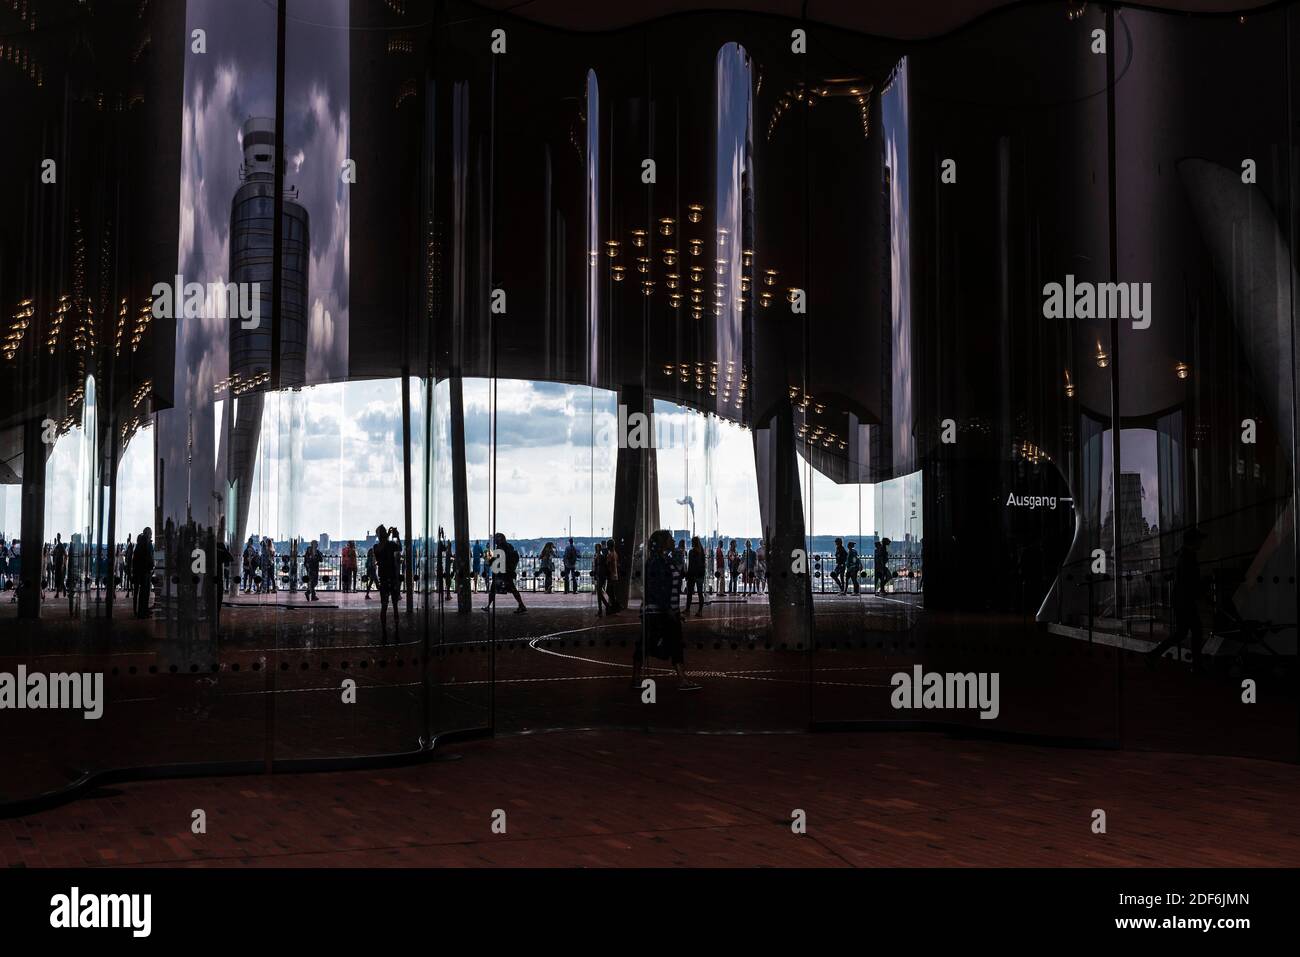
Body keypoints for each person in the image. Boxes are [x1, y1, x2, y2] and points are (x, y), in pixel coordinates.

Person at [632, 529, 701, 692]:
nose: (674, 541)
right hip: (657, 611)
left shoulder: (667, 560)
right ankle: (679, 679)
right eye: (670, 538)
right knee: (647, 643)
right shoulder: (656, 561)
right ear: (664, 542)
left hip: (668, 610)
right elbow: (656, 588)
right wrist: (668, 609)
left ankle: (681, 678)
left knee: (672, 643)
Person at [1148, 529, 1207, 670]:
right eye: (1199, 540)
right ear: (1193, 541)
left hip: (1181, 599)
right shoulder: (1188, 557)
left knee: (1183, 632)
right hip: (1185, 599)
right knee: (1195, 631)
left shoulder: (1183, 555)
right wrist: (1202, 592)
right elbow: (1189, 580)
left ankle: (1153, 655)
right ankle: (1197, 664)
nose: (1201, 543)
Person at [484, 532, 527, 614]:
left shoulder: (500, 549)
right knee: (512, 589)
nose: (495, 540)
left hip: (502, 572)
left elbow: (496, 561)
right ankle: (521, 605)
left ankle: (488, 606)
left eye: (496, 539)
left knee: (493, 589)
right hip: (507, 572)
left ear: (499, 540)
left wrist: (489, 559)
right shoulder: (509, 546)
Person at [373, 524, 400, 641]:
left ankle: (386, 631)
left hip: (386, 578)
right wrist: (393, 536)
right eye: (382, 531)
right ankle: (394, 630)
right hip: (389, 578)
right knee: (391, 605)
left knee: (388, 606)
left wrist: (395, 537)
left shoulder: (379, 546)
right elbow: (398, 547)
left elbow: (399, 548)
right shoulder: (379, 546)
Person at [132, 528, 154, 619]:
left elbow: (136, 559)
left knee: (144, 592)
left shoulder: (140, 544)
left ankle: (143, 610)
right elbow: (147, 557)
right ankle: (142, 611)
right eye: (150, 533)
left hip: (143, 571)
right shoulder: (146, 544)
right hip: (145, 571)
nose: (151, 535)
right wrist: (150, 566)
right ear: (147, 534)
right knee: (144, 593)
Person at [685, 536, 706, 614]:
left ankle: (687, 610)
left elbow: (690, 565)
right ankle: (700, 611)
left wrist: (687, 574)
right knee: (700, 594)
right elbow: (703, 564)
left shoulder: (691, 552)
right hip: (700, 575)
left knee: (689, 593)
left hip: (692, 575)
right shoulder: (702, 552)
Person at [592, 542, 609, 617]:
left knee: (599, 593)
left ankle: (604, 608)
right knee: (599, 593)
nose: (596, 550)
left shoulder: (599, 557)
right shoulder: (600, 556)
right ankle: (603, 608)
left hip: (600, 576)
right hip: (601, 576)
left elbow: (597, 567)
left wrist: (595, 574)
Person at [605, 539, 620, 613]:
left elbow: (607, 564)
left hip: (611, 575)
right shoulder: (615, 553)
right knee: (612, 591)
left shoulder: (610, 554)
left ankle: (615, 605)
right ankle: (615, 605)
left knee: (609, 591)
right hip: (615, 575)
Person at [51, 533, 67, 599]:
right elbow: (53, 553)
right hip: (57, 565)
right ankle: (58, 593)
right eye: (57, 537)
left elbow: (65, 554)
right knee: (57, 579)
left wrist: (63, 564)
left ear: (59, 537)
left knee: (60, 579)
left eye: (58, 537)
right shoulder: (57, 546)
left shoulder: (61, 545)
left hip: (60, 565)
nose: (57, 538)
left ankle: (64, 588)